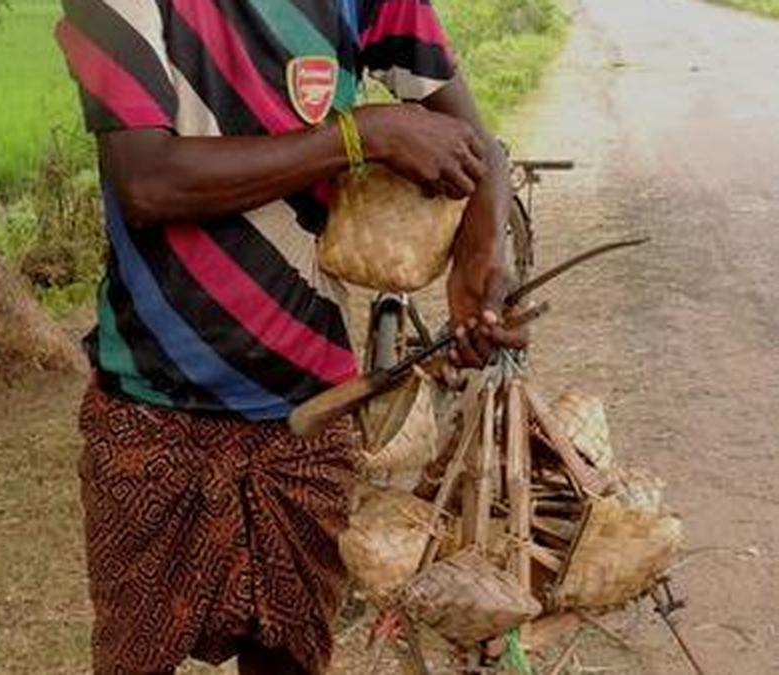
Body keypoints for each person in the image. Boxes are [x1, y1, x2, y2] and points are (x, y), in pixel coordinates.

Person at [55, 0, 525, 672]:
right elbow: (148, 180)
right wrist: (360, 136)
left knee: (293, 661)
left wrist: (481, 255)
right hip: (149, 419)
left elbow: (476, 145)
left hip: (307, 422)